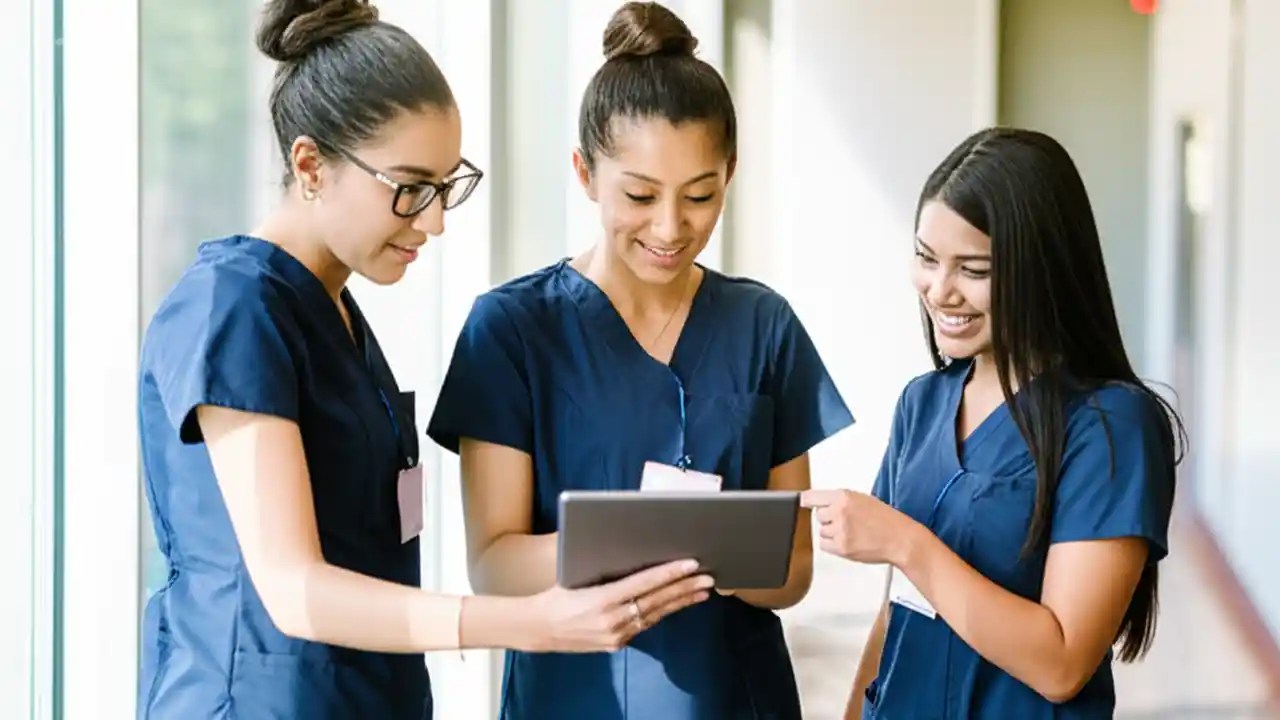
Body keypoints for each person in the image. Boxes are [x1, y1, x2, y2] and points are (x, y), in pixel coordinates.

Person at [135, 1, 712, 718]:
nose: (434, 221)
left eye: (444, 189)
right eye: (410, 190)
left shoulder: (338, 315)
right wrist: (534, 622)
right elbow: (294, 590)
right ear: (310, 164)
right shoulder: (234, 308)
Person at [426, 3, 854, 718]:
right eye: (639, 195)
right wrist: (661, 544)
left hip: (736, 696)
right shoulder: (513, 329)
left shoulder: (763, 326)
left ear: (731, 174)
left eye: (700, 196)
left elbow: (793, 572)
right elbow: (494, 564)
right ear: (585, 173)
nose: (670, 228)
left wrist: (687, 549)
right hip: (574, 697)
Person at [801, 127, 1185, 719]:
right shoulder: (923, 403)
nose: (939, 291)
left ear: (1044, 269)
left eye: (973, 270)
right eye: (927, 259)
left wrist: (907, 543)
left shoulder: (1110, 426)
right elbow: (896, 616)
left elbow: (1062, 663)